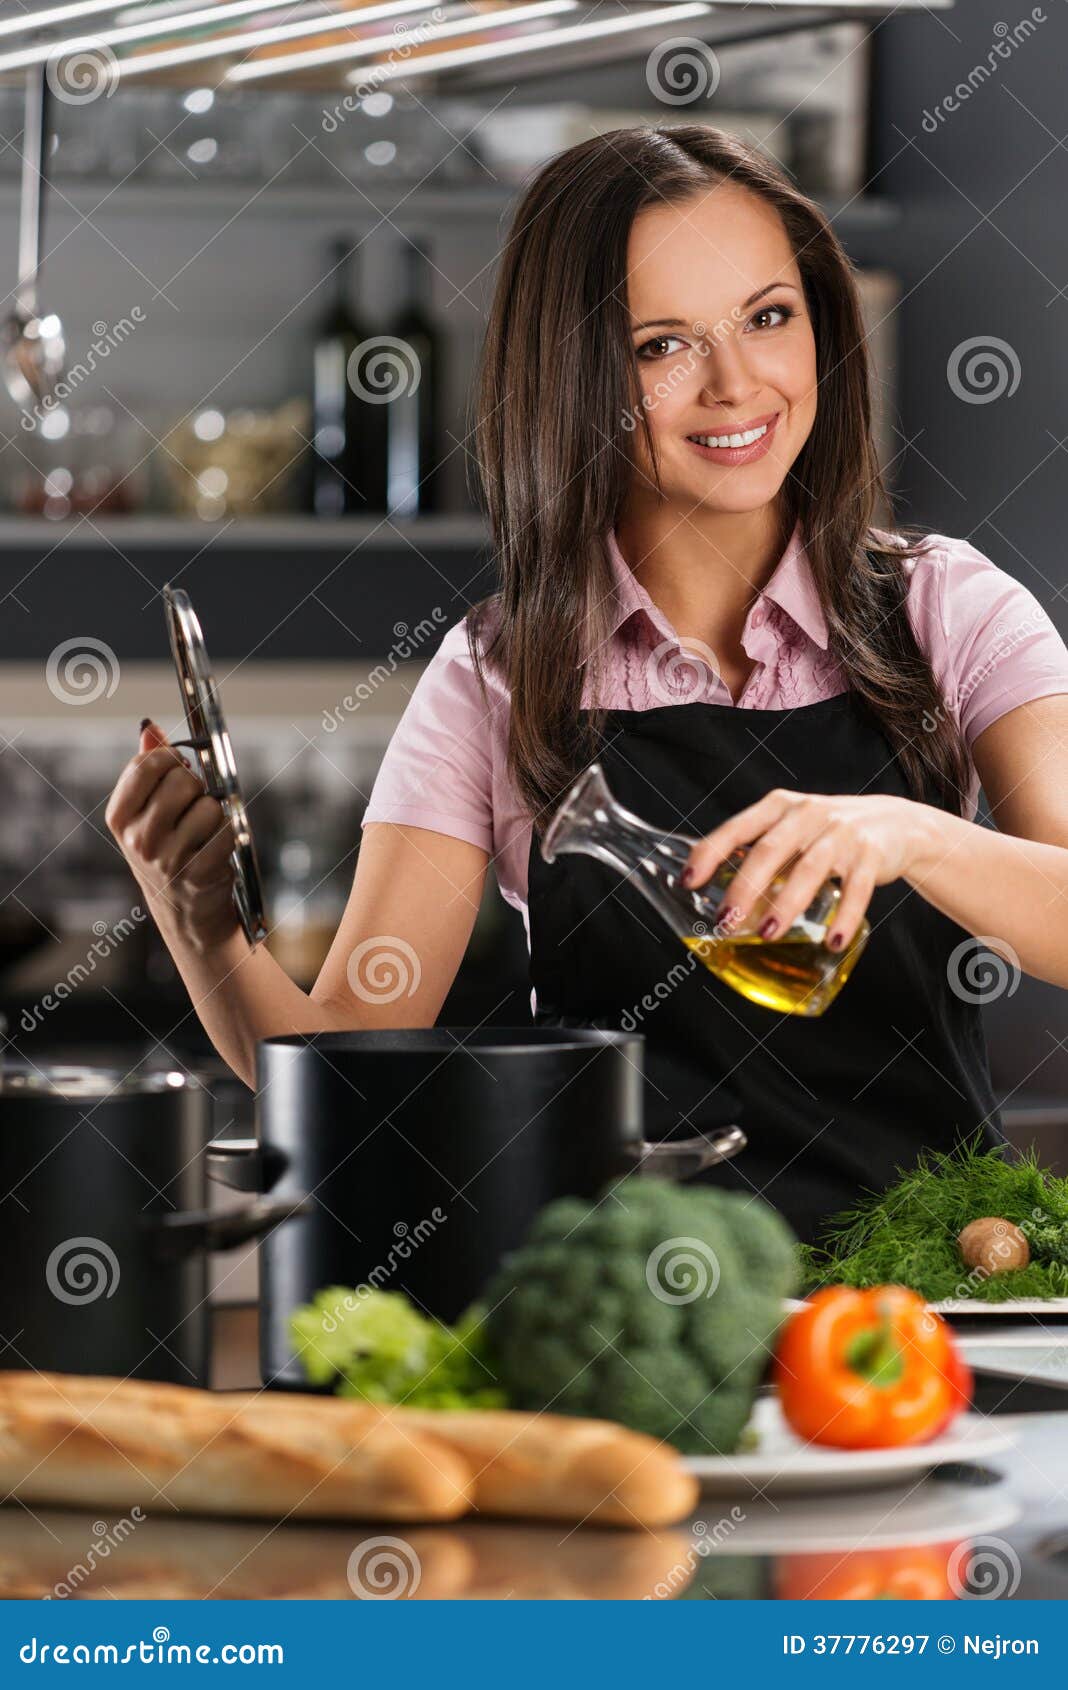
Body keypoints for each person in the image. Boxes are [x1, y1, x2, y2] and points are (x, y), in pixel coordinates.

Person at [107, 126, 1068, 1242]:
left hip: (931, 1300)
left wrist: (913, 836)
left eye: (770, 317)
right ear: (575, 373)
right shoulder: (498, 676)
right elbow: (345, 1069)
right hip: (624, 1316)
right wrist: (203, 926)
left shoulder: (949, 609)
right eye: (663, 345)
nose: (737, 383)